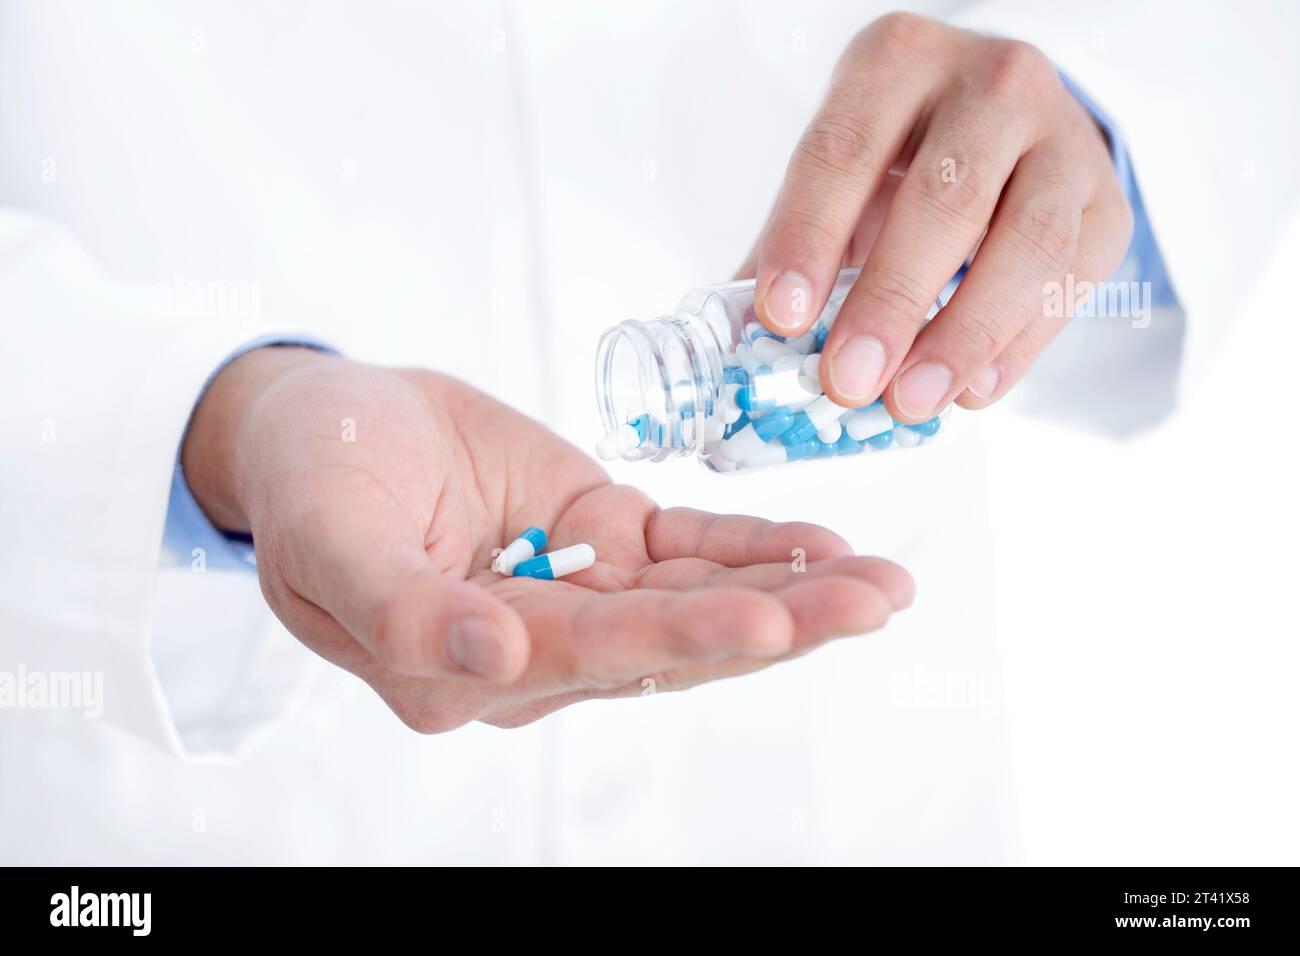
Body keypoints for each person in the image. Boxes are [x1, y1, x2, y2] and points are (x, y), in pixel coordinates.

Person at [2, 2, 1296, 864]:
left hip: (850, 793)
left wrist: (1077, 154)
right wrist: (212, 418)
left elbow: (1225, 54)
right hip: (217, 812)